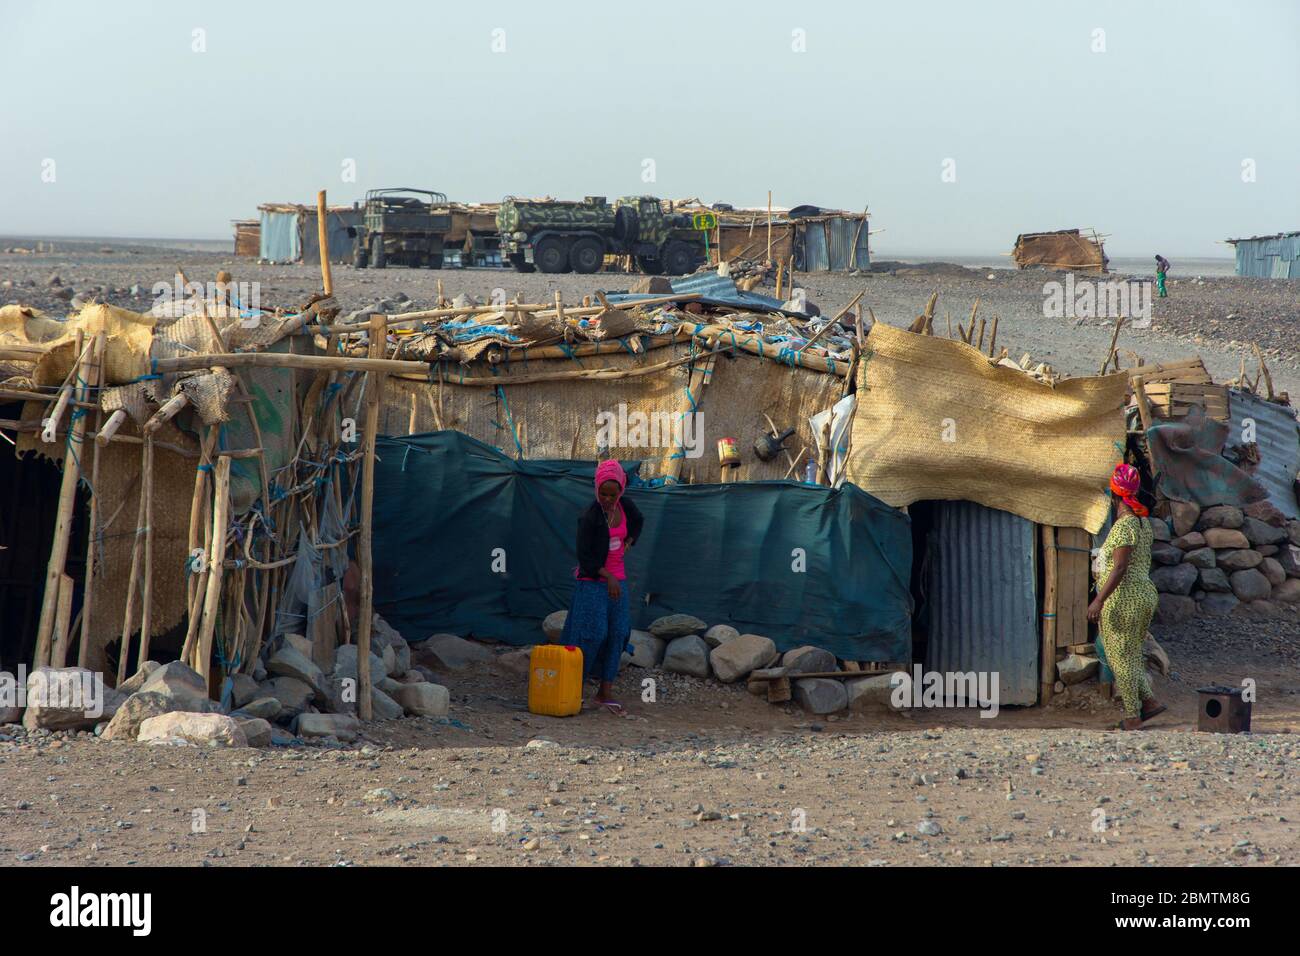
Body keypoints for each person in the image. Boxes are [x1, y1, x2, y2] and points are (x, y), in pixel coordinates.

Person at [558, 458, 643, 715]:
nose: (607, 498)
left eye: (612, 493)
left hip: (618, 580)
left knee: (618, 633)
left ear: (620, 491)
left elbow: (639, 521)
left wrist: (629, 540)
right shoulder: (590, 516)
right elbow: (585, 558)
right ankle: (573, 687)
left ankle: (604, 692)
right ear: (596, 489)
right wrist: (608, 576)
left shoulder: (625, 507)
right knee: (592, 634)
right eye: (603, 493)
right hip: (593, 581)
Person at [1088, 463, 1165, 730]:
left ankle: (1133, 715)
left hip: (1123, 599)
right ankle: (1150, 702)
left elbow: (1120, 567)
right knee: (1130, 653)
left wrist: (1099, 600)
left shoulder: (1124, 527)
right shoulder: (1143, 524)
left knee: (1120, 657)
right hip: (1143, 594)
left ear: (1114, 496)